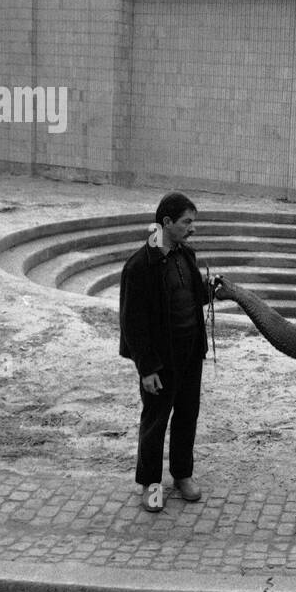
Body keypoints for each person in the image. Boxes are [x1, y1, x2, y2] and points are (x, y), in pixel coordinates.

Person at [118, 192, 210, 512]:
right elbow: (133, 324)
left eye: (193, 222)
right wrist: (147, 368)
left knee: (187, 416)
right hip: (160, 360)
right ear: (166, 222)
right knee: (156, 421)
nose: (192, 228)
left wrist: (212, 291)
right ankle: (150, 484)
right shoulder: (140, 266)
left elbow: (194, 298)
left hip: (189, 354)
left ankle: (182, 475)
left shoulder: (186, 256)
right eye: (187, 222)